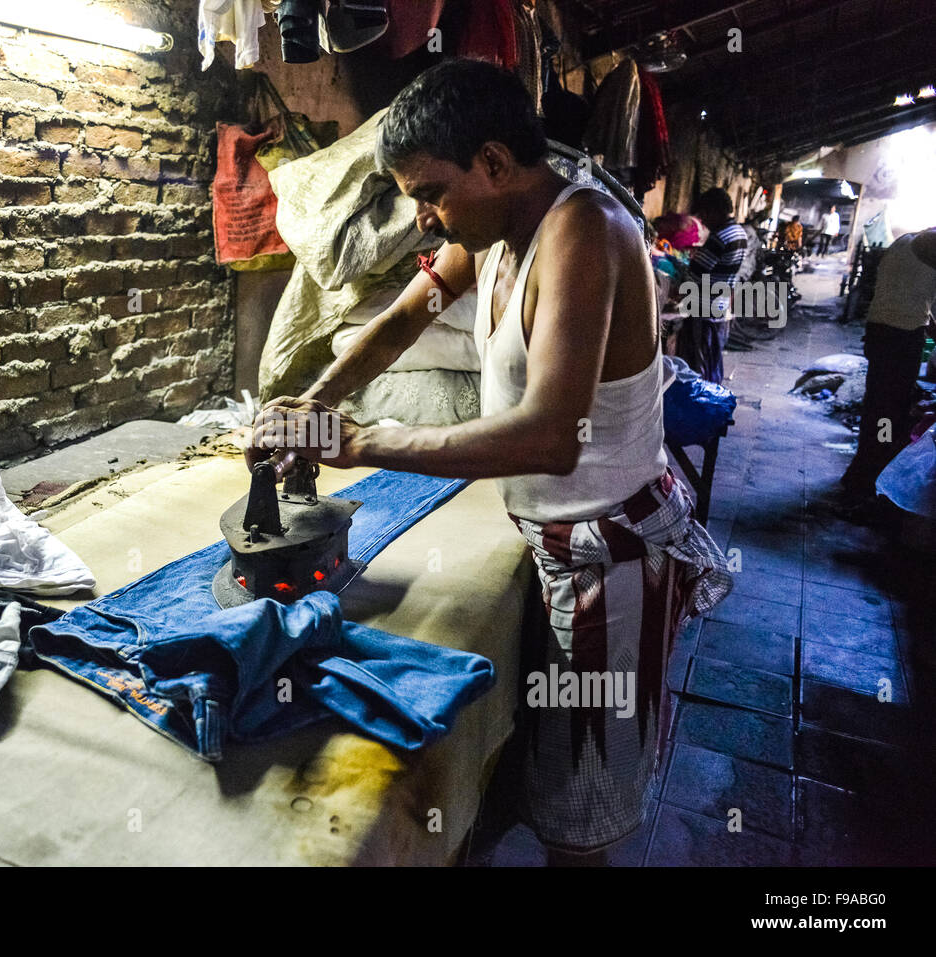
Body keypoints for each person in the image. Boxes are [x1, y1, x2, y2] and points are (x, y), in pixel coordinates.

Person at [246, 58, 731, 865]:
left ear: (496, 163)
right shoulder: (496, 233)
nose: (424, 217)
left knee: (581, 806)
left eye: (430, 192)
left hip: (608, 554)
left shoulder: (584, 234)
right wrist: (318, 401)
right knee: (531, 765)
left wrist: (356, 443)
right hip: (554, 541)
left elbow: (548, 436)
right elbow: (403, 323)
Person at [840, 227, 936, 510]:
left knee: (876, 406)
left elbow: (911, 299)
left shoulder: (903, 244)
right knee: (889, 413)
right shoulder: (930, 256)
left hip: (879, 334)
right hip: (901, 341)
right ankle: (871, 477)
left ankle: (860, 473)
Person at [676, 187, 747, 383]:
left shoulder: (720, 237)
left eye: (705, 214)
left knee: (698, 359)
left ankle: (700, 394)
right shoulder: (739, 232)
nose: (703, 220)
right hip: (720, 304)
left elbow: (695, 274)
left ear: (716, 211)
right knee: (711, 354)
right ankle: (710, 388)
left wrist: (679, 276)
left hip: (704, 308)